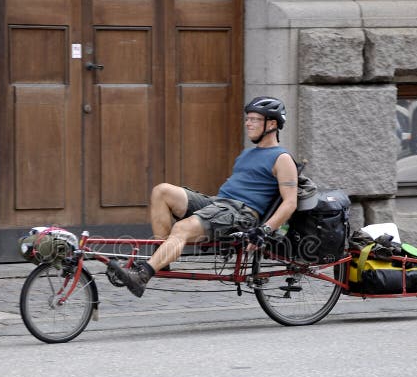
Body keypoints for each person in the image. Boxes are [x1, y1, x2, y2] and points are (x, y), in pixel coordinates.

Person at [108, 96, 299, 297]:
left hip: (241, 213)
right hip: (218, 203)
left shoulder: (282, 158)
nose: (248, 123)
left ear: (272, 124)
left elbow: (290, 202)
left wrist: (264, 230)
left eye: (254, 119)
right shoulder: (247, 154)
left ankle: (143, 275)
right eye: (247, 118)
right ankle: (160, 260)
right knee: (162, 191)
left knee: (182, 227)